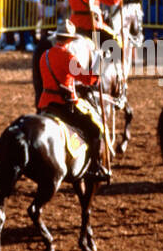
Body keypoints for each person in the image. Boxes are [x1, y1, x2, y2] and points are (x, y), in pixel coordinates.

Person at [37, 20, 110, 181]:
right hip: (64, 104)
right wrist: (98, 63)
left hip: (46, 103)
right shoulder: (68, 56)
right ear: (70, 40)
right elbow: (88, 79)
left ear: (57, 38)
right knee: (96, 130)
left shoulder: (45, 55)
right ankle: (95, 166)